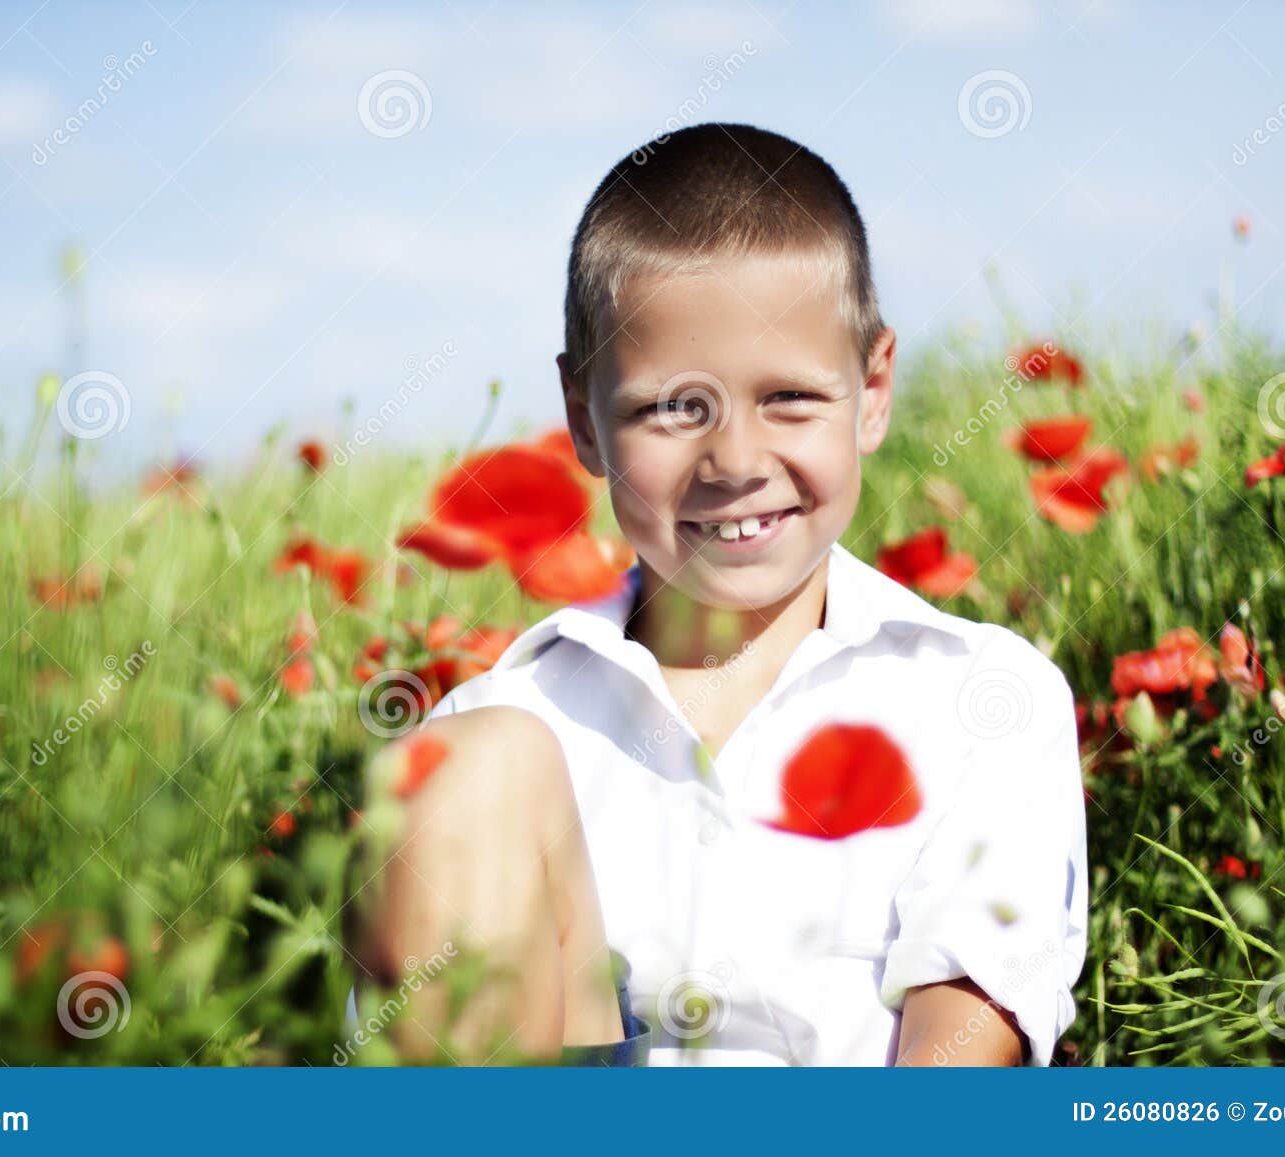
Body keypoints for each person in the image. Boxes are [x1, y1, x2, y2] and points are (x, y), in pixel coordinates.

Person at [347, 121, 1088, 1067]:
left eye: (789, 398)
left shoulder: (982, 694)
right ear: (584, 420)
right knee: (464, 765)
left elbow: (965, 1043)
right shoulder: (509, 717)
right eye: (671, 407)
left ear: (872, 390)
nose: (735, 462)